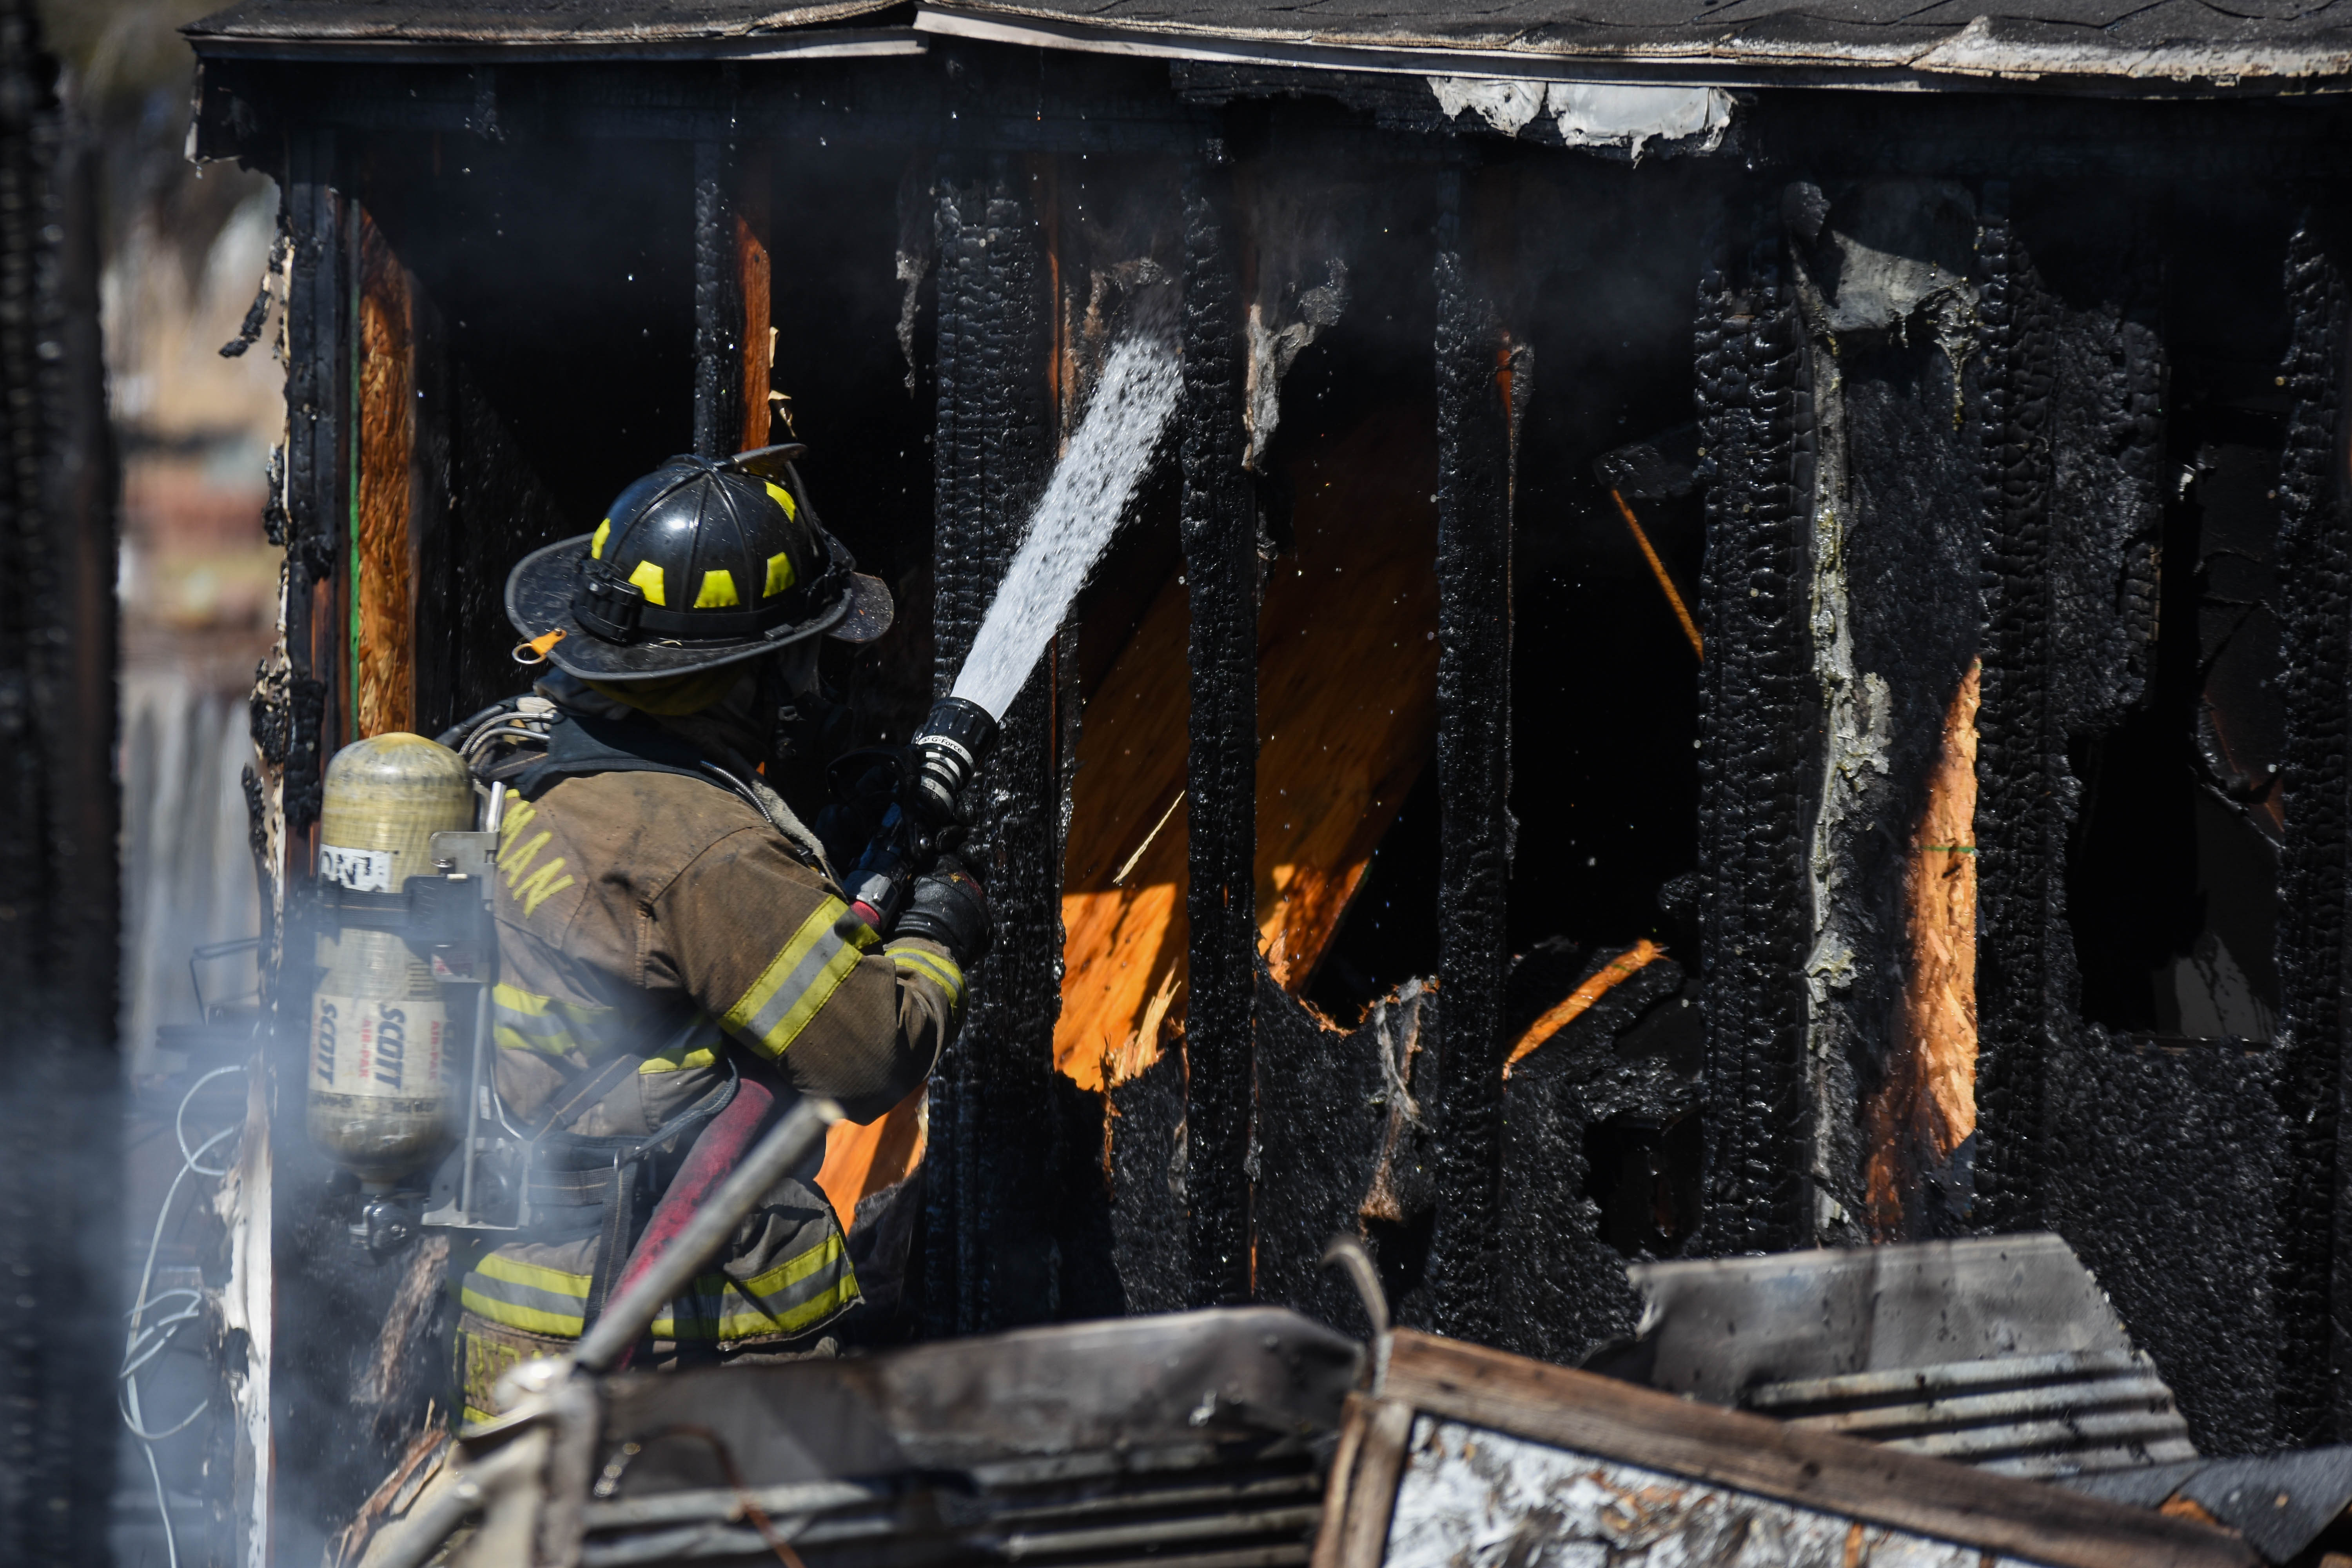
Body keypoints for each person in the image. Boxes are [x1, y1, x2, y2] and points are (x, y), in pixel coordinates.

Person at [441, 443, 988, 1423]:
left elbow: (674, 971)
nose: (812, 682)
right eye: (801, 654)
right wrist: (937, 929)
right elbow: (869, 1052)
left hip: (517, 1318)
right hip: (689, 1353)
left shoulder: (526, 768)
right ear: (746, 670)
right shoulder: (701, 851)